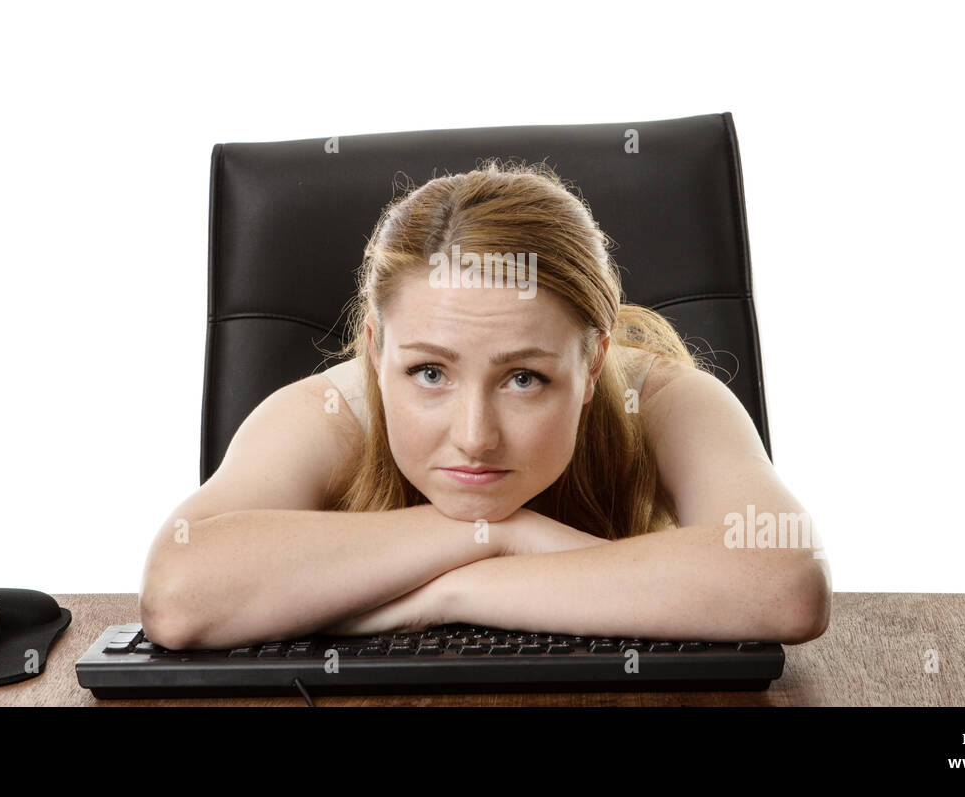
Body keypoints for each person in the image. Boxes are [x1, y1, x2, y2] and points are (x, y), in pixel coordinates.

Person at [140, 159, 831, 649]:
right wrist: (495, 535)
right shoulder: (332, 413)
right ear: (377, 351)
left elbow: (784, 580)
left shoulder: (658, 400)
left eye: (524, 379)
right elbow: (179, 590)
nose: (474, 438)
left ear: (592, 363)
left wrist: (449, 592)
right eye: (430, 373)